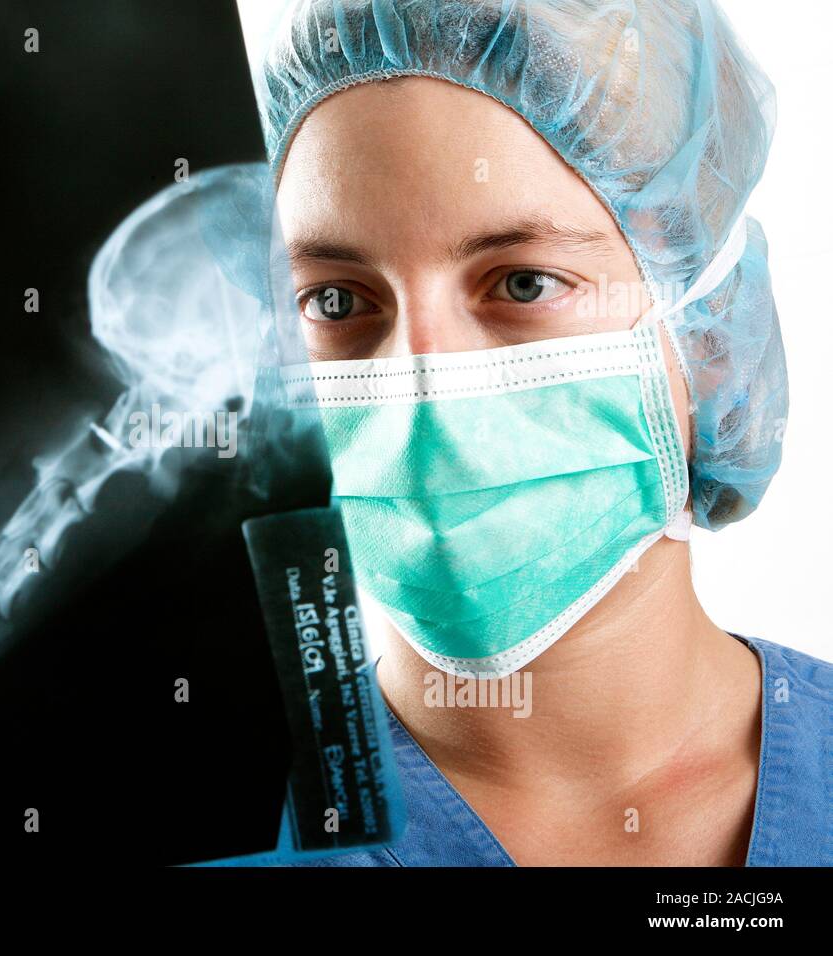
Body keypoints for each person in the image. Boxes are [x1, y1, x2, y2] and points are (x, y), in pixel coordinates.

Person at [240, 0, 832, 866]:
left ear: (706, 332)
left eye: (522, 284)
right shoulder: (225, 831)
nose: (420, 389)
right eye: (336, 300)